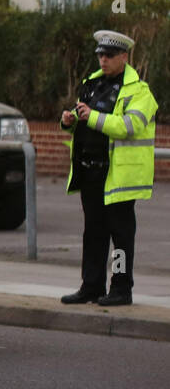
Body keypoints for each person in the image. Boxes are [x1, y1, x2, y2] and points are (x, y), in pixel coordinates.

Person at [59, 30, 157, 307]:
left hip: (119, 175)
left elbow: (129, 127)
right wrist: (69, 120)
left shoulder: (140, 91)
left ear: (124, 57)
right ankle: (91, 286)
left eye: (109, 56)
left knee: (121, 236)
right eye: (100, 55)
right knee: (93, 232)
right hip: (90, 170)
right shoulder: (91, 84)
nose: (103, 60)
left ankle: (121, 289)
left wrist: (93, 117)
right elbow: (82, 119)